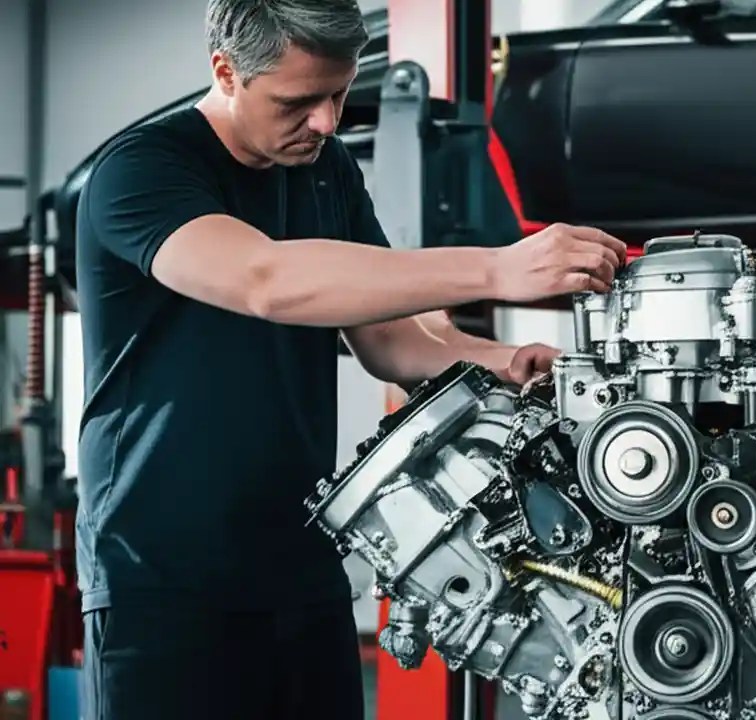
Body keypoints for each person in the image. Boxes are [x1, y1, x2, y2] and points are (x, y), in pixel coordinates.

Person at [73, 0, 627, 717]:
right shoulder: (143, 169)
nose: (329, 122)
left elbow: (392, 340)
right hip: (162, 582)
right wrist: (496, 269)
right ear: (226, 72)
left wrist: (506, 359)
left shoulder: (326, 169)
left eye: (338, 93)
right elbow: (265, 280)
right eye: (300, 101)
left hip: (300, 571)